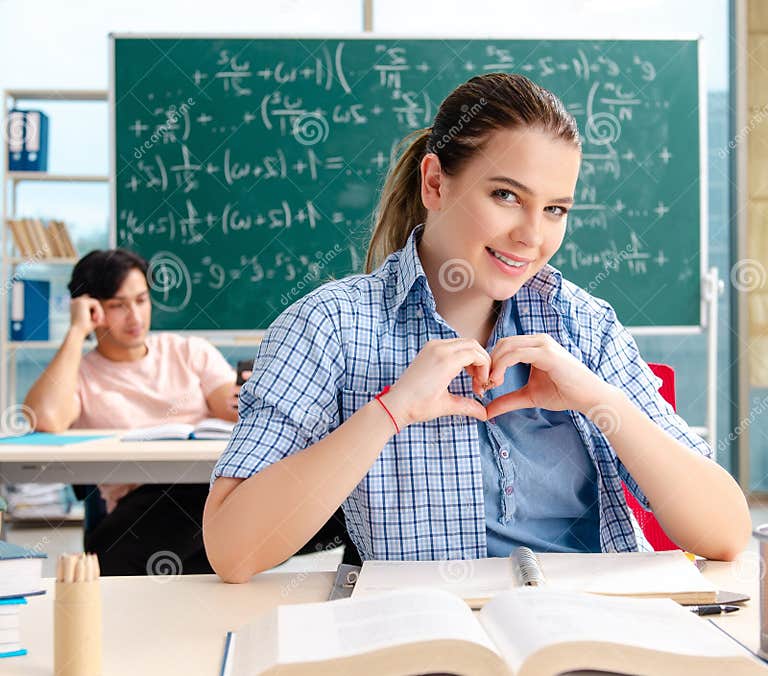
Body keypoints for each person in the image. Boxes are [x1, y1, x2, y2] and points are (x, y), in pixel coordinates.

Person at [203, 73, 750, 583]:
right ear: (436, 183)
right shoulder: (330, 325)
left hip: (589, 631)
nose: (531, 236)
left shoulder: (587, 326)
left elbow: (725, 534)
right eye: (506, 196)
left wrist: (595, 398)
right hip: (431, 636)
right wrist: (390, 411)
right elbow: (233, 550)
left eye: (556, 208)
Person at [23, 249, 356, 574]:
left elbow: (232, 407)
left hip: (214, 487)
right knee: (112, 550)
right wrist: (76, 331)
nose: (135, 317)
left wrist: (257, 394)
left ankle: (357, 597)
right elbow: (46, 418)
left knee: (349, 500)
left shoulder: (187, 351)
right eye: (117, 306)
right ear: (93, 309)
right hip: (147, 508)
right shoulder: (78, 374)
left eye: (141, 300)